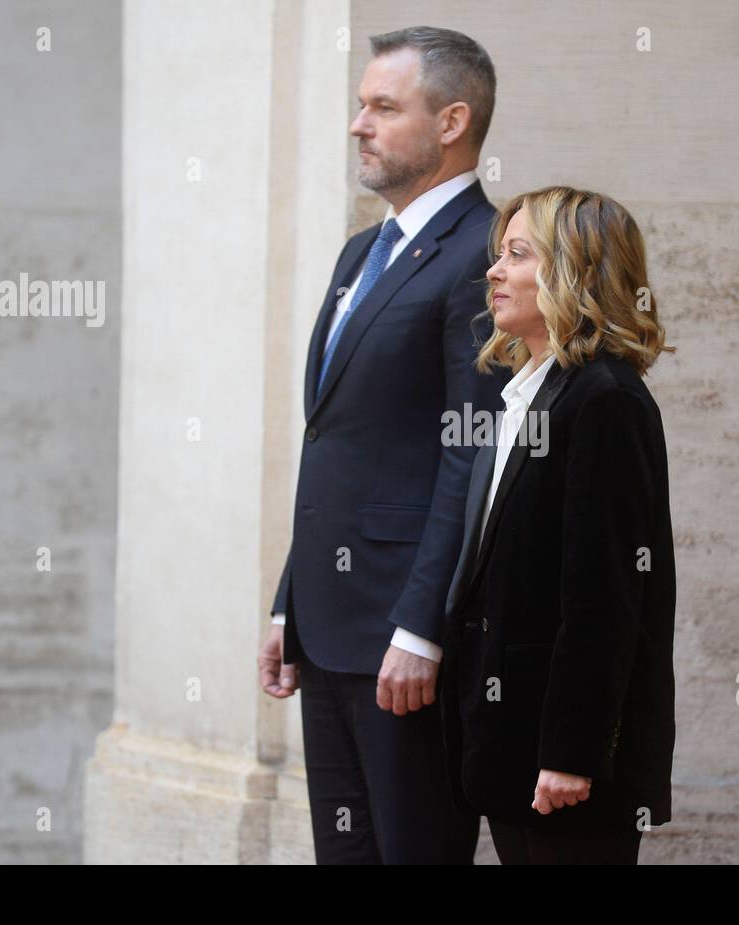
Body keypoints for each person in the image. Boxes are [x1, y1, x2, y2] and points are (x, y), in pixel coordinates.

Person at [256, 27, 508, 864]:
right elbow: (337, 436)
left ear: (451, 122)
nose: (358, 124)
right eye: (360, 104)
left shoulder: (483, 254)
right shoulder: (362, 251)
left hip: (406, 640)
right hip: (329, 626)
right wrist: (292, 595)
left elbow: (468, 455)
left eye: (383, 107)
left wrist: (422, 627)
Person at [439, 186, 677, 864]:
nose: (494, 270)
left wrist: (572, 753)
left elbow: (604, 597)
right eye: (498, 253)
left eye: (518, 253)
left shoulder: (605, 401)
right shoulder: (529, 393)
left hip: (566, 771)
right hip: (514, 747)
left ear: (576, 272)